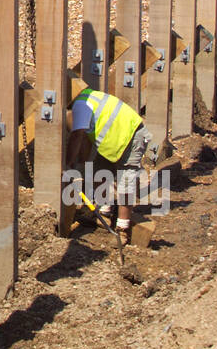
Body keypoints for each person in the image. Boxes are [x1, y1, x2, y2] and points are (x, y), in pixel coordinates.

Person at [65, 87, 152, 246]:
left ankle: (122, 228)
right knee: (99, 171)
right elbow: (84, 140)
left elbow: (77, 137)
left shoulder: (81, 107)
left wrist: (69, 164)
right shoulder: (87, 99)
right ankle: (103, 212)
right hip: (114, 141)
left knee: (126, 182)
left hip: (133, 136)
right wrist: (80, 167)